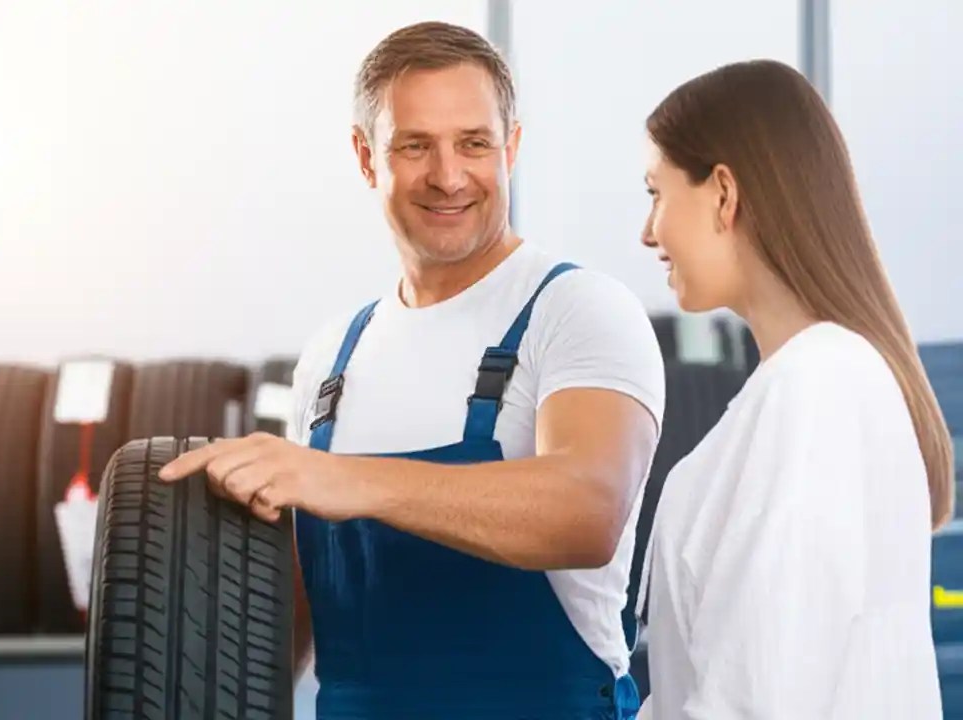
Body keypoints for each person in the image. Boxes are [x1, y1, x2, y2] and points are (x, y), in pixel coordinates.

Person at [159, 21, 665, 719]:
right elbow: (297, 623)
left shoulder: (577, 311)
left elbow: (587, 513)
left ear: (511, 148)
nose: (449, 176)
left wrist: (342, 478)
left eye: (474, 143)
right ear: (367, 157)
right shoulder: (332, 360)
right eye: (415, 145)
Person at [634, 59, 953, 719]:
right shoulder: (810, 384)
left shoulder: (816, 388)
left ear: (723, 193)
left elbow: (758, 699)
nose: (648, 232)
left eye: (656, 193)